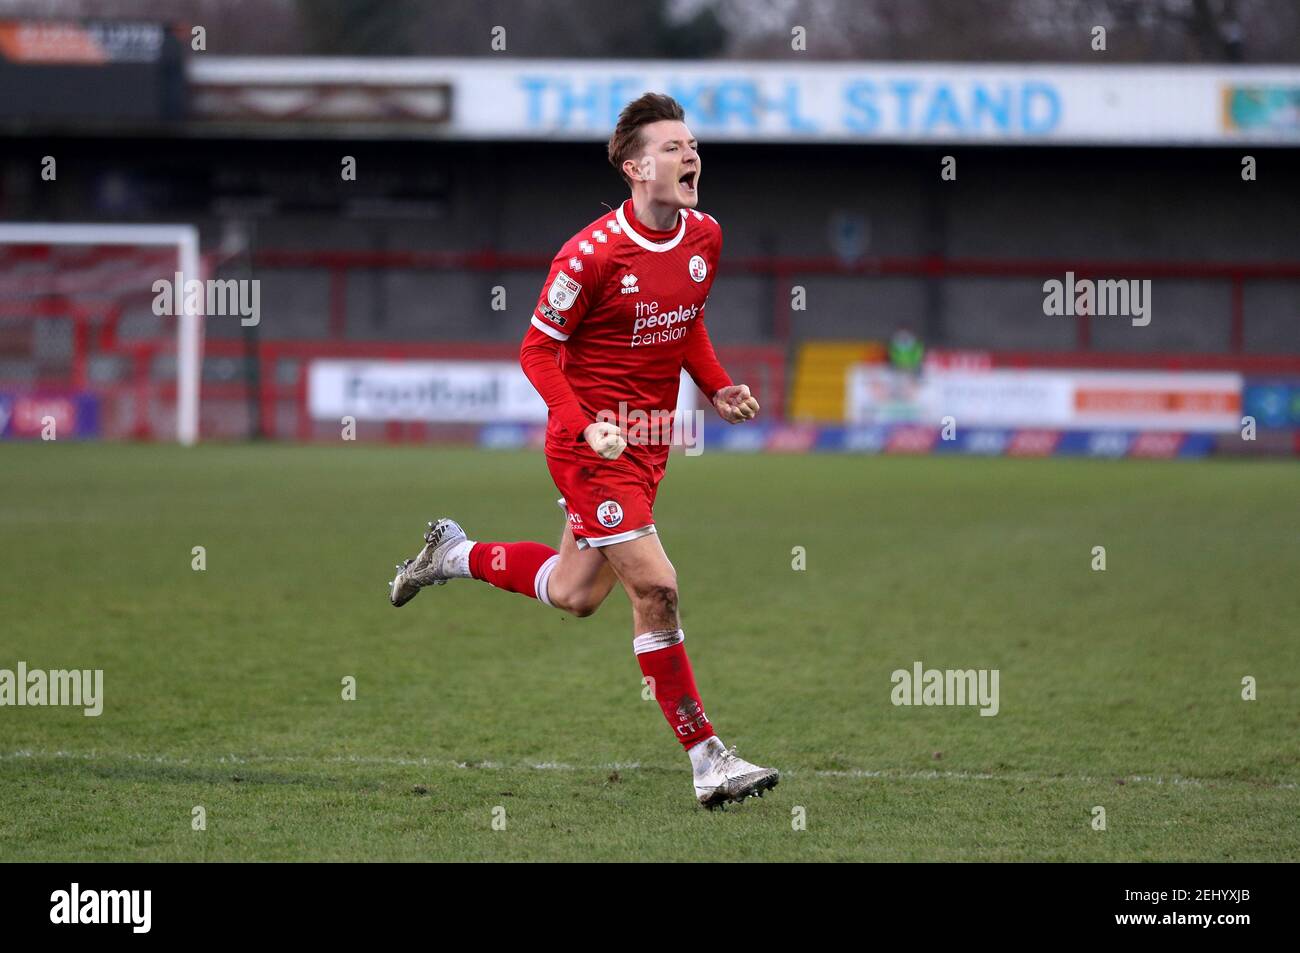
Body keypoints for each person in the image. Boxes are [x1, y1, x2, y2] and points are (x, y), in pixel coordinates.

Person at [388, 92, 779, 810]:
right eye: (671, 147)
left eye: (692, 144)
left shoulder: (705, 237)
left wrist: (717, 387)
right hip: (590, 445)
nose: (689, 155)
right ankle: (708, 758)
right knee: (656, 586)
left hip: (650, 442)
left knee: (576, 593)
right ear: (635, 168)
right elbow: (537, 348)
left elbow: (686, 321)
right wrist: (581, 424)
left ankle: (451, 554)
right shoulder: (589, 254)